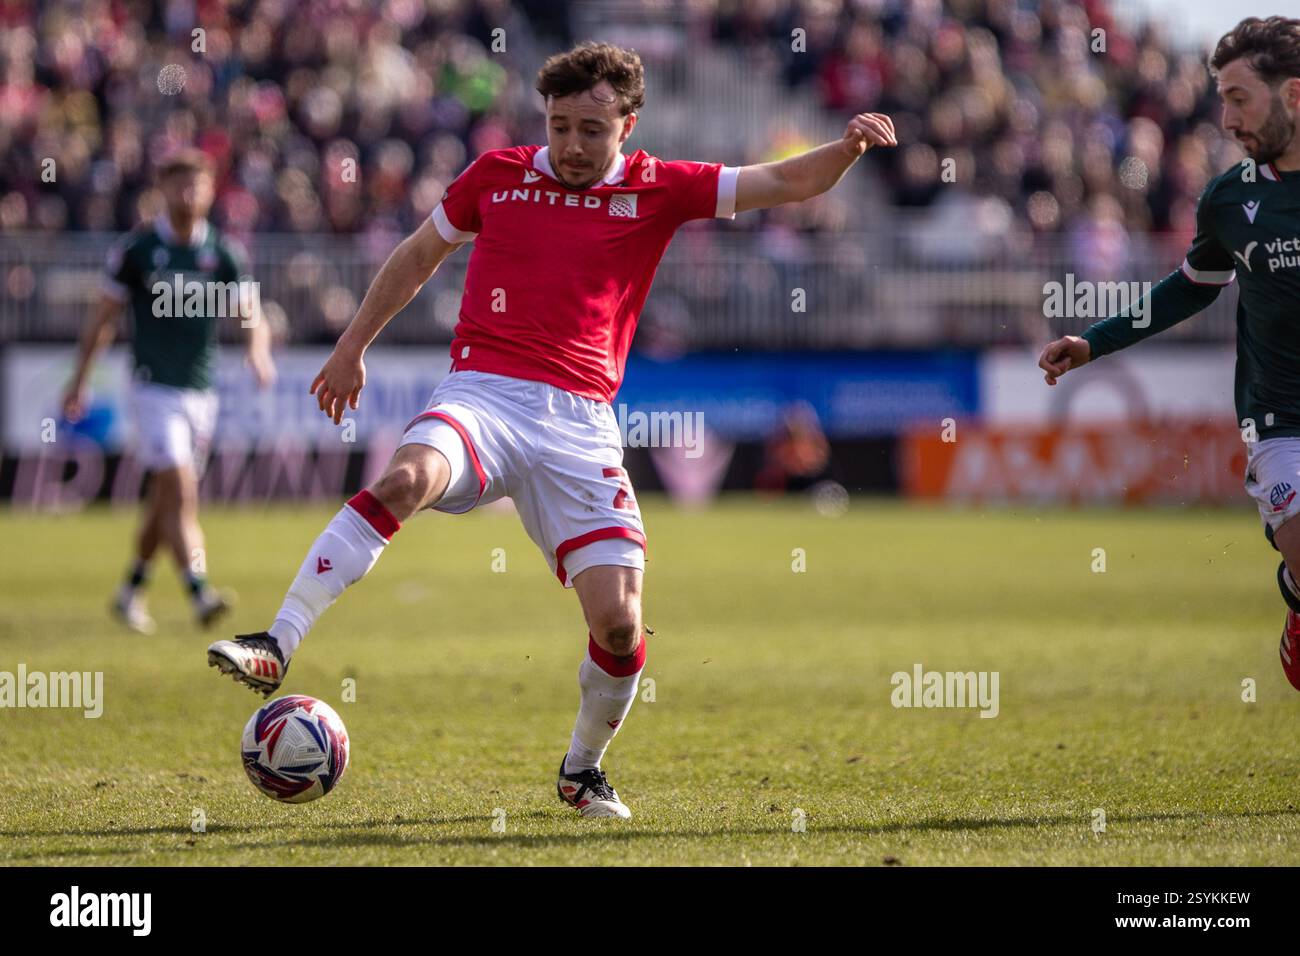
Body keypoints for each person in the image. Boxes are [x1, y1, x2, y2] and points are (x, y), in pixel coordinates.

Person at [208, 41, 895, 817]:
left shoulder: (660, 187)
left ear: (627, 126)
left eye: (591, 131)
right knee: (404, 478)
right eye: (560, 125)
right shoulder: (498, 175)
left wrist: (843, 150)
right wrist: (350, 347)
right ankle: (276, 641)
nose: (571, 145)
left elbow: (784, 181)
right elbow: (419, 253)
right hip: (484, 396)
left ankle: (581, 769)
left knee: (621, 623)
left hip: (581, 424)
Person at [1037, 17, 1300, 691]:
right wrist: (1093, 342)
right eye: (1222, 96)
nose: (1226, 115)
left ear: (1294, 96)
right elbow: (1190, 290)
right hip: (1281, 421)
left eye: (1240, 97)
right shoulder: (1231, 199)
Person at [63, 149, 276, 635]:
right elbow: (103, 318)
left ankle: (130, 590)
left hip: (202, 392)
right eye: (179, 183)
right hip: (152, 387)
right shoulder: (137, 251)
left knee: (165, 502)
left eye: (197, 184)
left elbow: (252, 312)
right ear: (163, 190)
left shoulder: (223, 252)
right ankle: (200, 592)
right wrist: (78, 380)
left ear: (210, 191)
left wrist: (258, 351)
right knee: (181, 490)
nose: (189, 193)